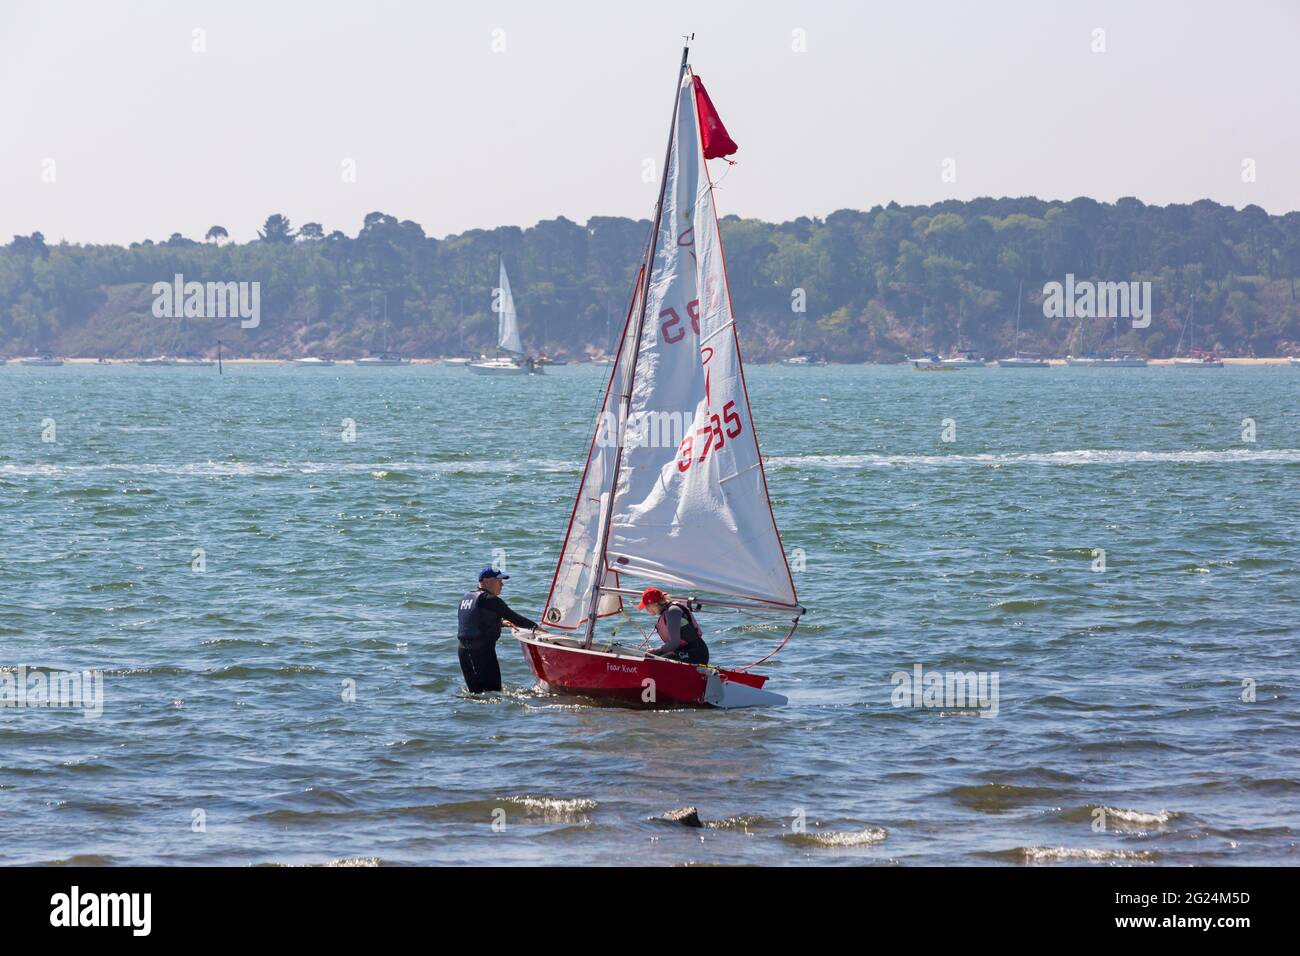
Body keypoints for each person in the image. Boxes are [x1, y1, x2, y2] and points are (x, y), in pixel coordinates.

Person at [457, 567, 537, 693]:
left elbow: (472, 621)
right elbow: (515, 618)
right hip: (482, 653)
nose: (502, 584)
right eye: (499, 580)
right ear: (487, 581)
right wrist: (536, 627)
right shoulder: (491, 599)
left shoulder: (467, 597)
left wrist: (500, 623)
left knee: (475, 694)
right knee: (494, 693)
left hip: (464, 653)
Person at [637, 586, 709, 665]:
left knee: (655, 661)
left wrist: (655, 651)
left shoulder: (672, 611)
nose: (646, 609)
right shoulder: (666, 612)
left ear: (653, 604)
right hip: (684, 650)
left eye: (646, 606)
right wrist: (656, 652)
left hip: (696, 652)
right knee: (650, 658)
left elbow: (674, 644)